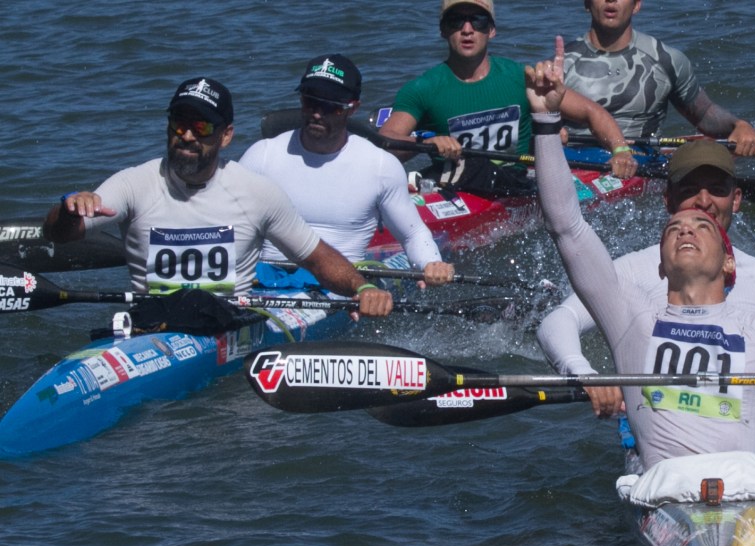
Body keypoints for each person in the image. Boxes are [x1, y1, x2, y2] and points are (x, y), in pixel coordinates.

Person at [527, 38, 755, 469]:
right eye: (679, 217)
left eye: (714, 193)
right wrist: (545, 121)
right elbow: (567, 226)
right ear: (662, 263)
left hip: (749, 461)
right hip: (662, 465)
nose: (698, 209)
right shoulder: (632, 304)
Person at [43, 77, 392, 317]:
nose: (189, 137)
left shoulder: (256, 193)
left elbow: (316, 258)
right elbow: (60, 234)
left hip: (226, 323)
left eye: (202, 128)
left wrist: (361, 289)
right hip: (148, 325)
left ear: (225, 136)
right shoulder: (133, 184)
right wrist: (69, 211)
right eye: (180, 124)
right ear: (168, 127)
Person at [537, 136, 755, 418]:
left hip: (748, 444)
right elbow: (558, 321)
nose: (704, 202)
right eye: (689, 190)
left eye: (716, 189)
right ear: (668, 200)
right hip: (660, 444)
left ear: (736, 199)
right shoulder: (634, 271)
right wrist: (584, 374)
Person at [240, 54, 455, 288]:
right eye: (310, 101)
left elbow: (412, 235)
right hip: (266, 278)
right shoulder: (261, 156)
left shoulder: (380, 166)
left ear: (353, 108)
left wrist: (431, 263)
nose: (317, 113)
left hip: (342, 285)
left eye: (330, 105)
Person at [378, 0, 639, 183]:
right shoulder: (422, 89)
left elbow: (592, 112)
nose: (467, 29)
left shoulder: (520, 77)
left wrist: (620, 151)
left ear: (491, 31)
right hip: (459, 184)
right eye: (456, 21)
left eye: (477, 21)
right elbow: (385, 142)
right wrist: (427, 143)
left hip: (519, 181)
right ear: (444, 30)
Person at [563, 0, 755, 157]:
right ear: (586, 3)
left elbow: (703, 115)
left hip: (639, 160)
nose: (611, 0)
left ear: (637, 5)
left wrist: (738, 126)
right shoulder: (561, 65)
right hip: (574, 160)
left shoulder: (666, 60)